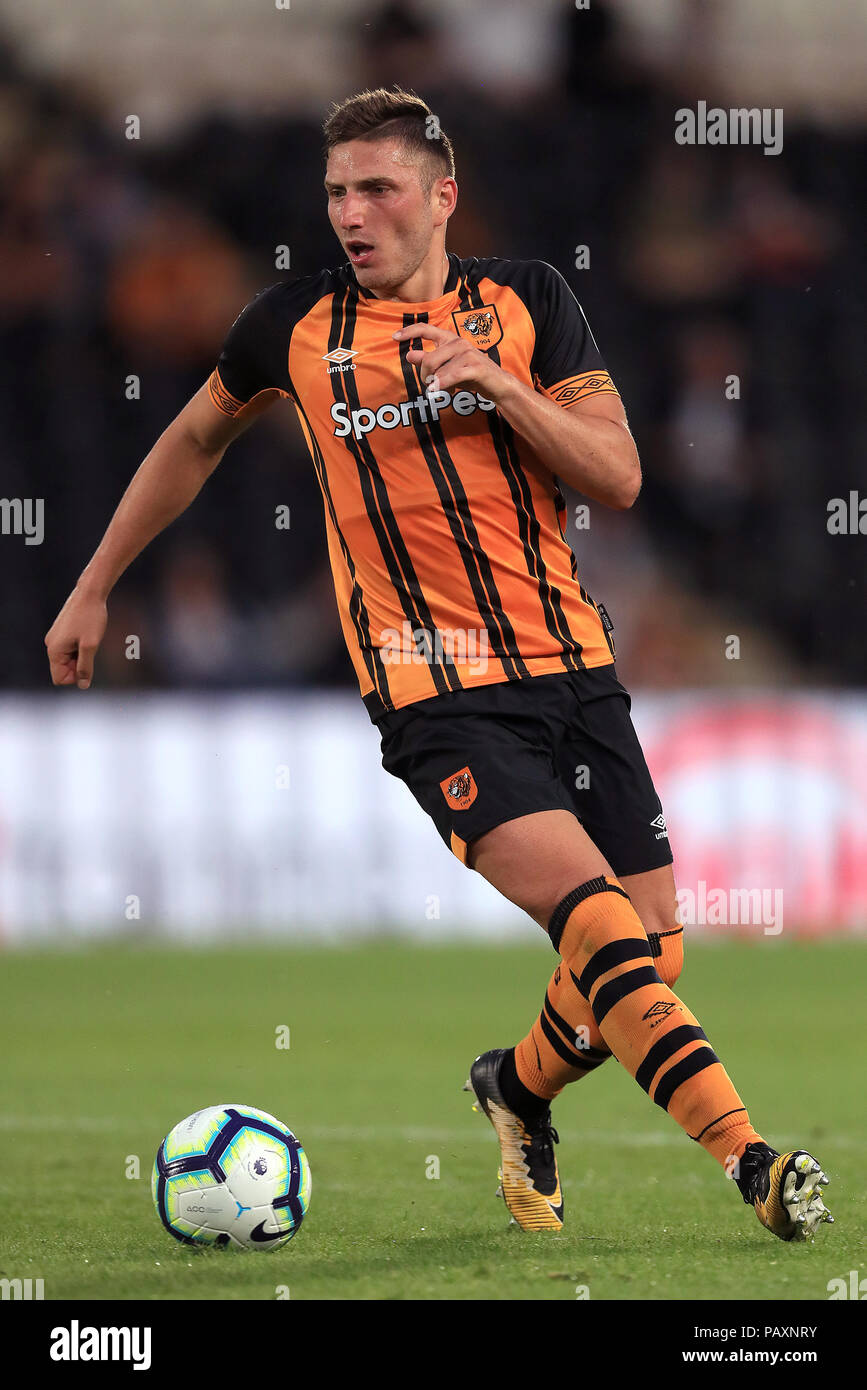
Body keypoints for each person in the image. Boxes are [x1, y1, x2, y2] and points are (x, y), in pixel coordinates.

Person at [45, 87, 832, 1242]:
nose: (351, 214)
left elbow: (618, 474)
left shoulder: (530, 301)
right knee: (601, 928)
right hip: (437, 697)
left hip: (574, 670)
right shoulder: (291, 327)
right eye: (336, 193)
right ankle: (752, 1159)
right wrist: (95, 581)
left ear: (442, 195)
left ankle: (515, 1085)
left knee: (654, 949)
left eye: (378, 189)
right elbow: (196, 435)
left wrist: (501, 386)